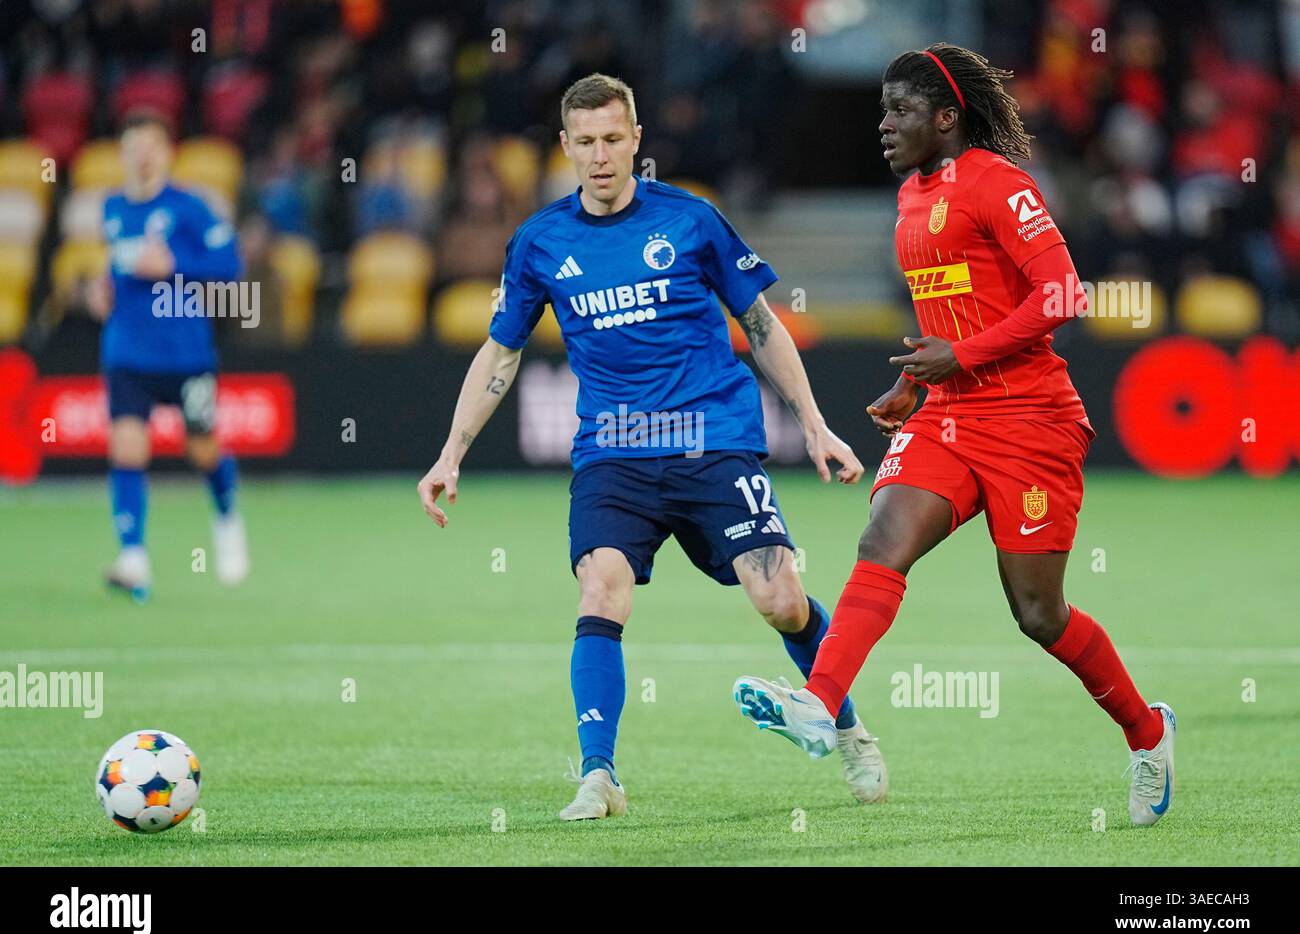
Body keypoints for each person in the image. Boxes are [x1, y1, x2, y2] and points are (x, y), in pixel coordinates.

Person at [732, 44, 1175, 827]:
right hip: (950, 414)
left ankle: (1148, 732)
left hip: (1031, 418)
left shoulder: (1002, 185)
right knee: (883, 538)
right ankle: (817, 702)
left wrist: (960, 355)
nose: (883, 125)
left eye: (900, 110)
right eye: (881, 110)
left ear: (946, 117)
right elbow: (953, 305)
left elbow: (1063, 291)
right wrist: (917, 380)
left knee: (1038, 614)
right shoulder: (910, 198)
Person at [417, 74, 878, 820]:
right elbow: (500, 355)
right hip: (614, 451)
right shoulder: (540, 241)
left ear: (636, 140)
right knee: (601, 590)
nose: (600, 156)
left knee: (780, 599)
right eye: (585, 143)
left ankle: (846, 725)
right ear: (565, 147)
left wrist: (816, 424)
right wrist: (450, 453)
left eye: (613, 139)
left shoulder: (691, 221)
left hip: (712, 439)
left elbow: (761, 325)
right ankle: (599, 776)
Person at [92, 113, 248, 601]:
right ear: (121, 154)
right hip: (127, 353)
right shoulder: (113, 208)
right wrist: (104, 289)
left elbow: (230, 270)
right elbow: (116, 269)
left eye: (150, 145)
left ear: (166, 152)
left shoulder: (191, 207)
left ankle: (226, 516)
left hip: (186, 355)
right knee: (127, 447)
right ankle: (133, 558)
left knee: (201, 449)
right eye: (132, 144)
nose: (141, 154)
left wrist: (176, 265)